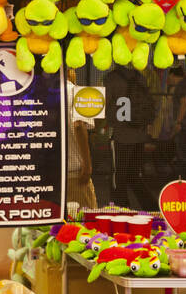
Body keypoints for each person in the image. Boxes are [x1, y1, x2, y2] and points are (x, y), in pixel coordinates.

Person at [102, 66, 157, 209]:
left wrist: (100, 126)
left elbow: (103, 104)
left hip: (120, 135)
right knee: (134, 175)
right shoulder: (139, 77)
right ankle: (152, 208)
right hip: (139, 134)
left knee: (117, 176)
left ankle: (120, 210)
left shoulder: (111, 78)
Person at [66, 68, 97, 209]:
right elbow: (79, 126)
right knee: (84, 221)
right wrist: (87, 165)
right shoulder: (79, 93)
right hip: (75, 173)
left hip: (51, 174)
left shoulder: (42, 94)